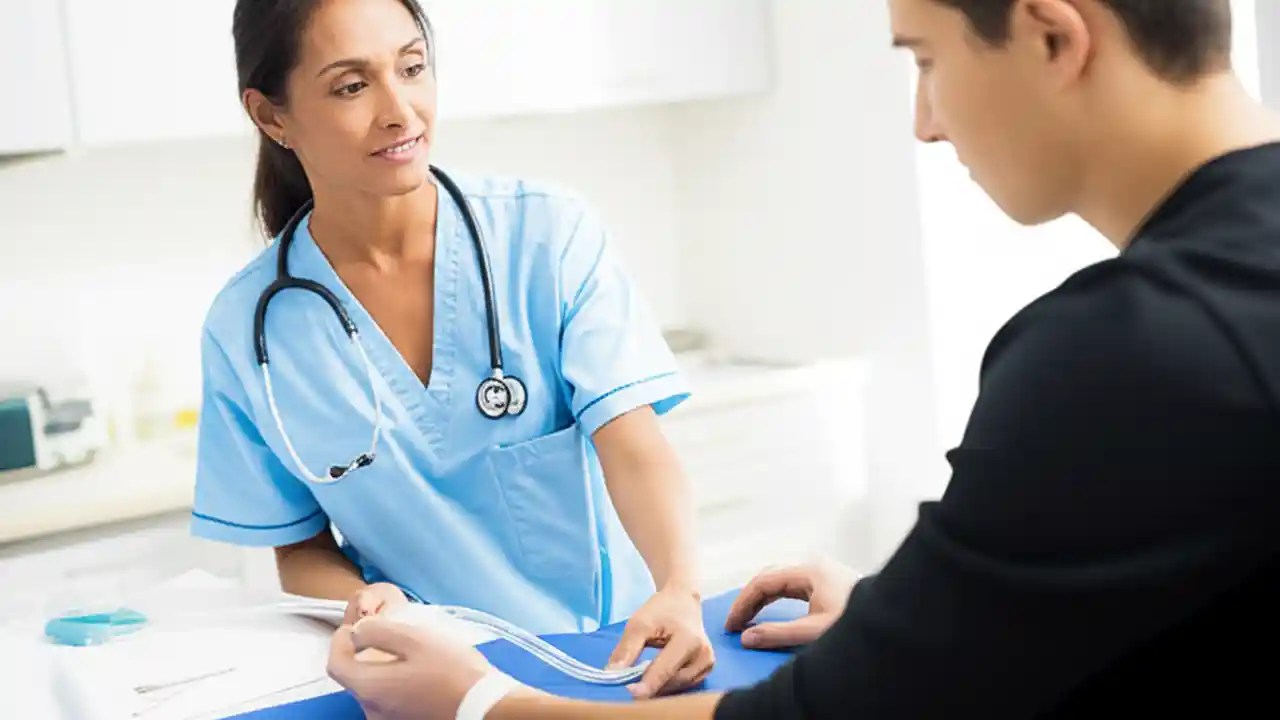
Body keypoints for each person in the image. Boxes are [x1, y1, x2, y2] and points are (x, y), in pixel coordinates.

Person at [325, 0, 1280, 717]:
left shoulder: (1127, 354)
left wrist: (482, 703)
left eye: (927, 60)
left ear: (1053, 37)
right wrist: (918, 614)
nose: (926, 120)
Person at [191, 0, 715, 698]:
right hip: (430, 685)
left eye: (412, 68)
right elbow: (302, 548)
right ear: (271, 116)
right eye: (352, 86)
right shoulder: (246, 328)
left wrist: (679, 585)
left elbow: (633, 443)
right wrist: (361, 603)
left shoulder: (546, 237)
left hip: (609, 662)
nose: (400, 111)